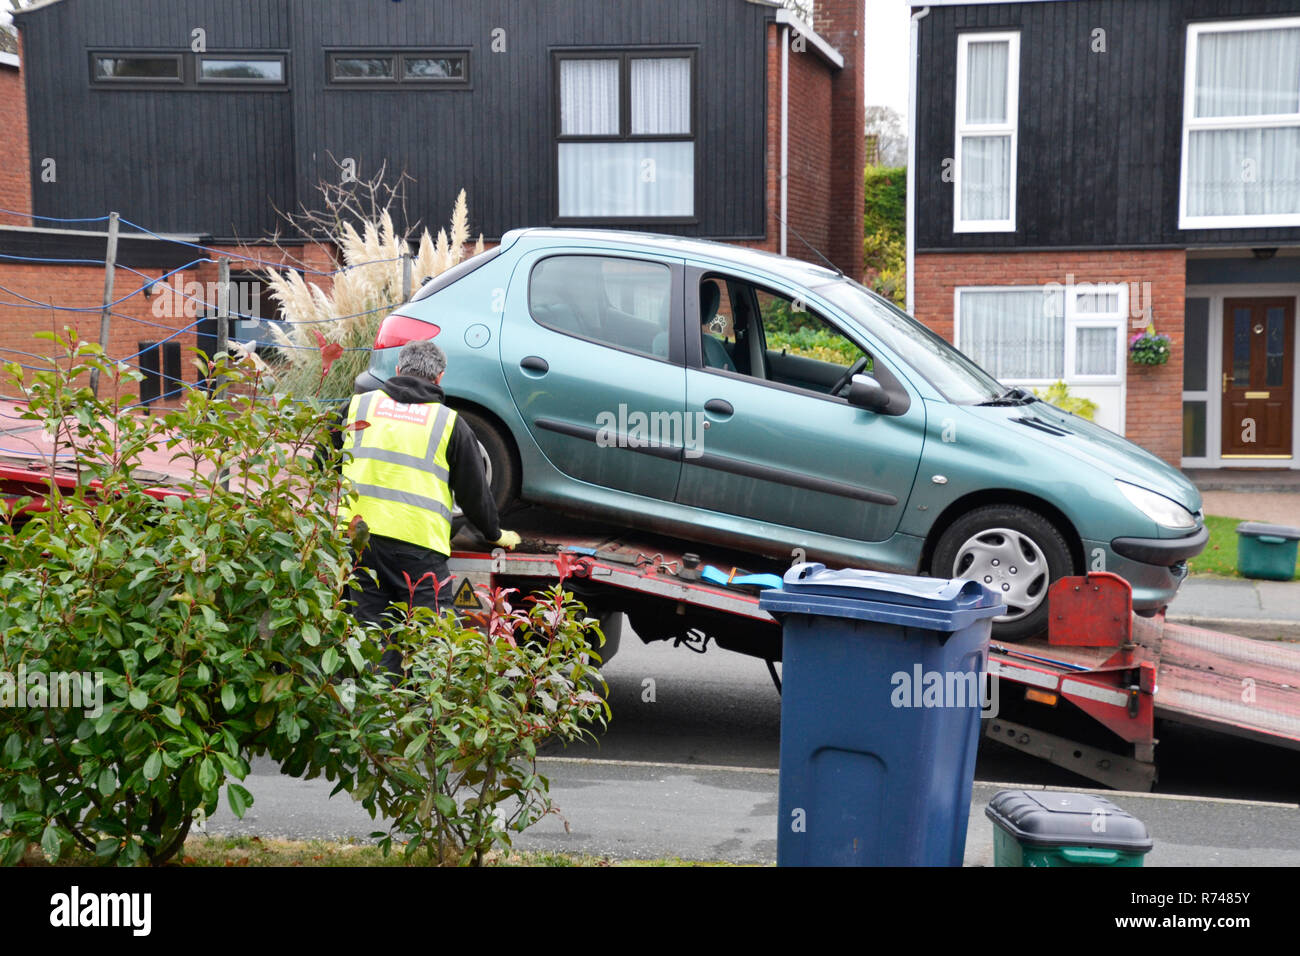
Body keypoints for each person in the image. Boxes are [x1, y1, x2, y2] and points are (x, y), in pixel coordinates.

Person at [335, 339, 520, 672]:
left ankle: (378, 713)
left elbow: (324, 457)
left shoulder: (358, 407)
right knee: (430, 640)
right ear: (440, 378)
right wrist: (494, 533)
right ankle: (422, 718)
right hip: (417, 548)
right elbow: (474, 494)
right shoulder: (448, 423)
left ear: (397, 370)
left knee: (371, 635)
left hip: (359, 541)